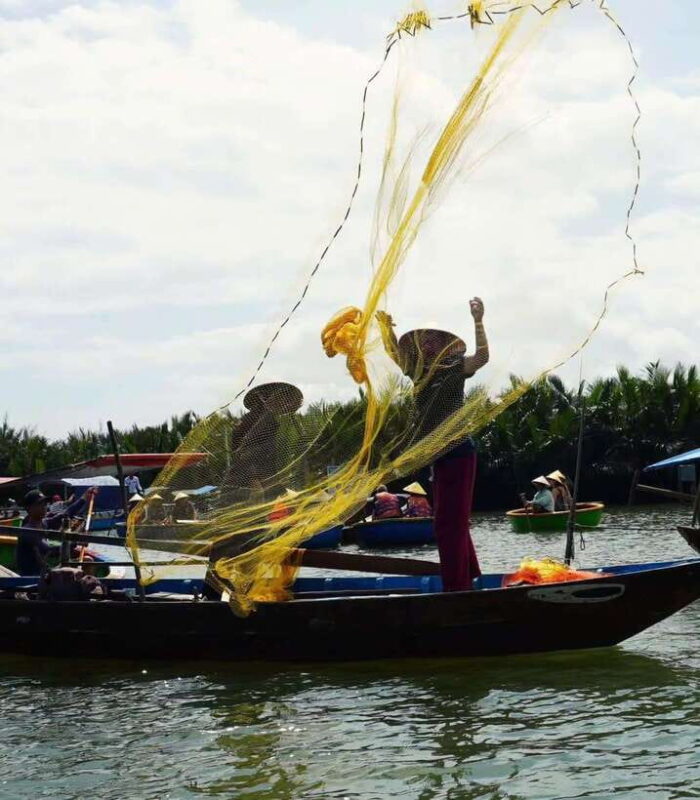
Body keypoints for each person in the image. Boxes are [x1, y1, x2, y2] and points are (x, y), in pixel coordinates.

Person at [377, 297, 489, 592]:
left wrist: (478, 321)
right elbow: (392, 352)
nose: (427, 344)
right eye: (423, 340)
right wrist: (385, 328)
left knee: (447, 526)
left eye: (433, 340)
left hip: (459, 453)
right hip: (438, 458)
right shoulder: (417, 371)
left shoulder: (455, 368)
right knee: (449, 521)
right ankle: (469, 575)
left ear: (444, 346)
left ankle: (457, 590)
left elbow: (482, 358)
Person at [17, 487, 98, 575]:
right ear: (29, 508)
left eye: (45, 503)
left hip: (45, 571)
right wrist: (76, 541)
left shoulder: (43, 523)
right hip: (34, 577)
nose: (45, 506)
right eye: (40, 503)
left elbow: (66, 514)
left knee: (87, 561)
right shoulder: (28, 530)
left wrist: (84, 497)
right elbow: (50, 550)